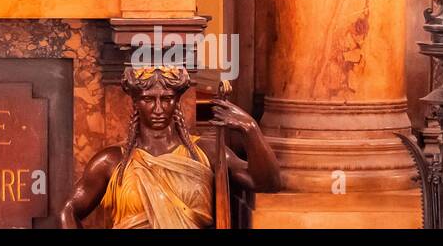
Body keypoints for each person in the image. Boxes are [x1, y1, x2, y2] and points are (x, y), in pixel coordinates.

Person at [59, 65, 282, 228]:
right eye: (148, 99)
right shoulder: (112, 161)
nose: (158, 108)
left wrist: (251, 129)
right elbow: (69, 210)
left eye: (166, 99)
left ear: (176, 102)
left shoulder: (206, 152)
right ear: (136, 103)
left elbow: (267, 182)